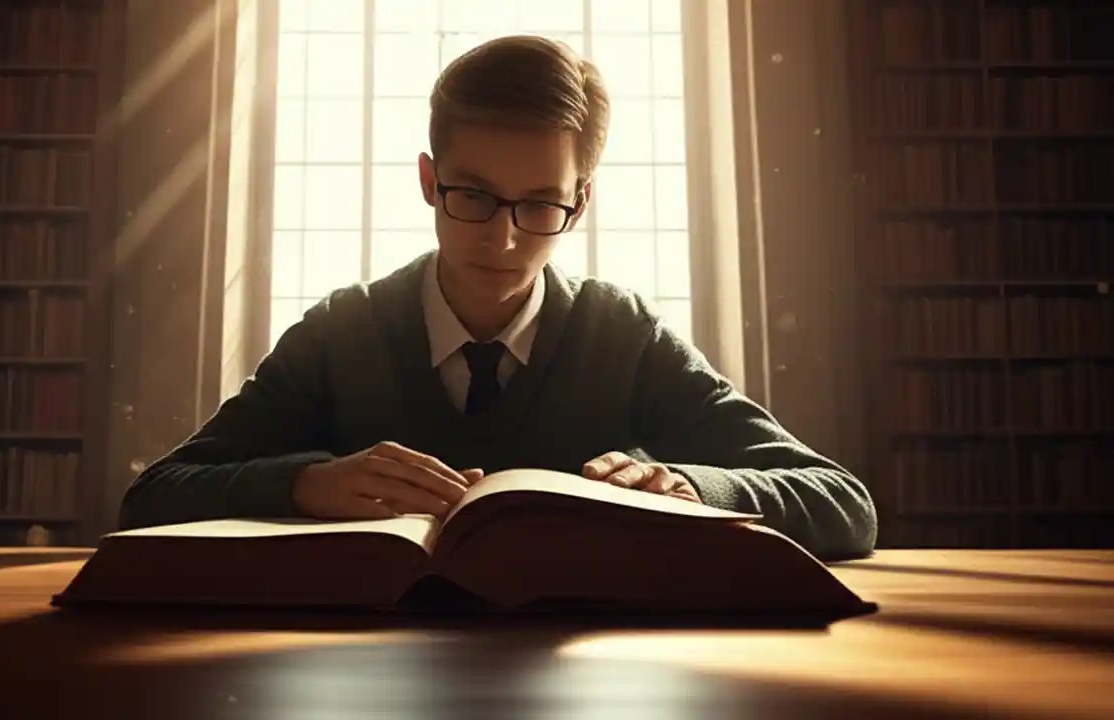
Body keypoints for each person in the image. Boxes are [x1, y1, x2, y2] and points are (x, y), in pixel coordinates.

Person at [118, 35, 877, 560]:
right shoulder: (339, 330)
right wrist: (305, 484)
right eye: (473, 197)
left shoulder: (624, 334)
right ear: (427, 180)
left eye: (541, 205)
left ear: (581, 203)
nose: (505, 240)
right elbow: (152, 498)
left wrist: (689, 487)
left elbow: (843, 502)